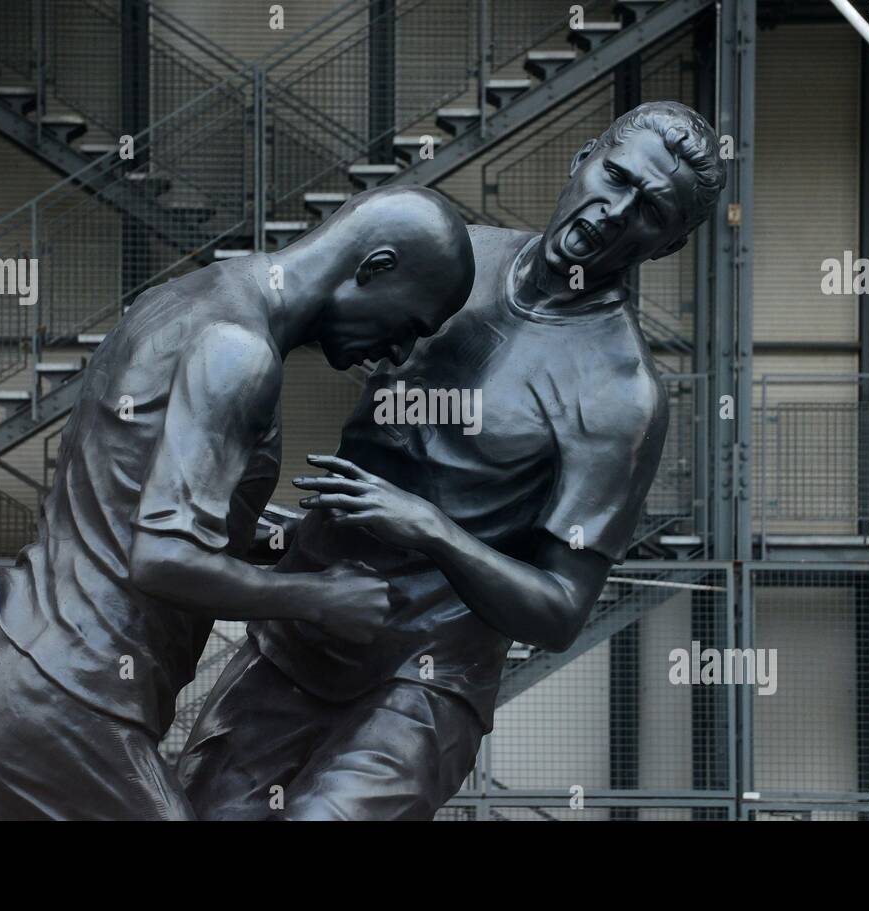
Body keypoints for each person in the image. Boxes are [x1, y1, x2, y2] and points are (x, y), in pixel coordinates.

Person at [176, 101, 726, 821]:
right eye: (615, 174)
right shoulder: (450, 254)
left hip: (426, 677)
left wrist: (430, 528)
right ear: (583, 155)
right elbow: (285, 312)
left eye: (650, 209)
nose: (616, 210)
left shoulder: (621, 395)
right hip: (305, 623)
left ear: (669, 244)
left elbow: (560, 611)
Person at [0, 186, 476, 820]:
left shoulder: (181, 302)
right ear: (376, 266)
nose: (397, 354)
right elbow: (162, 558)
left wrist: (288, 539)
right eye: (411, 324)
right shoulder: (238, 352)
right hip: (60, 700)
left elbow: (126, 500)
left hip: (19, 678)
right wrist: (321, 598)